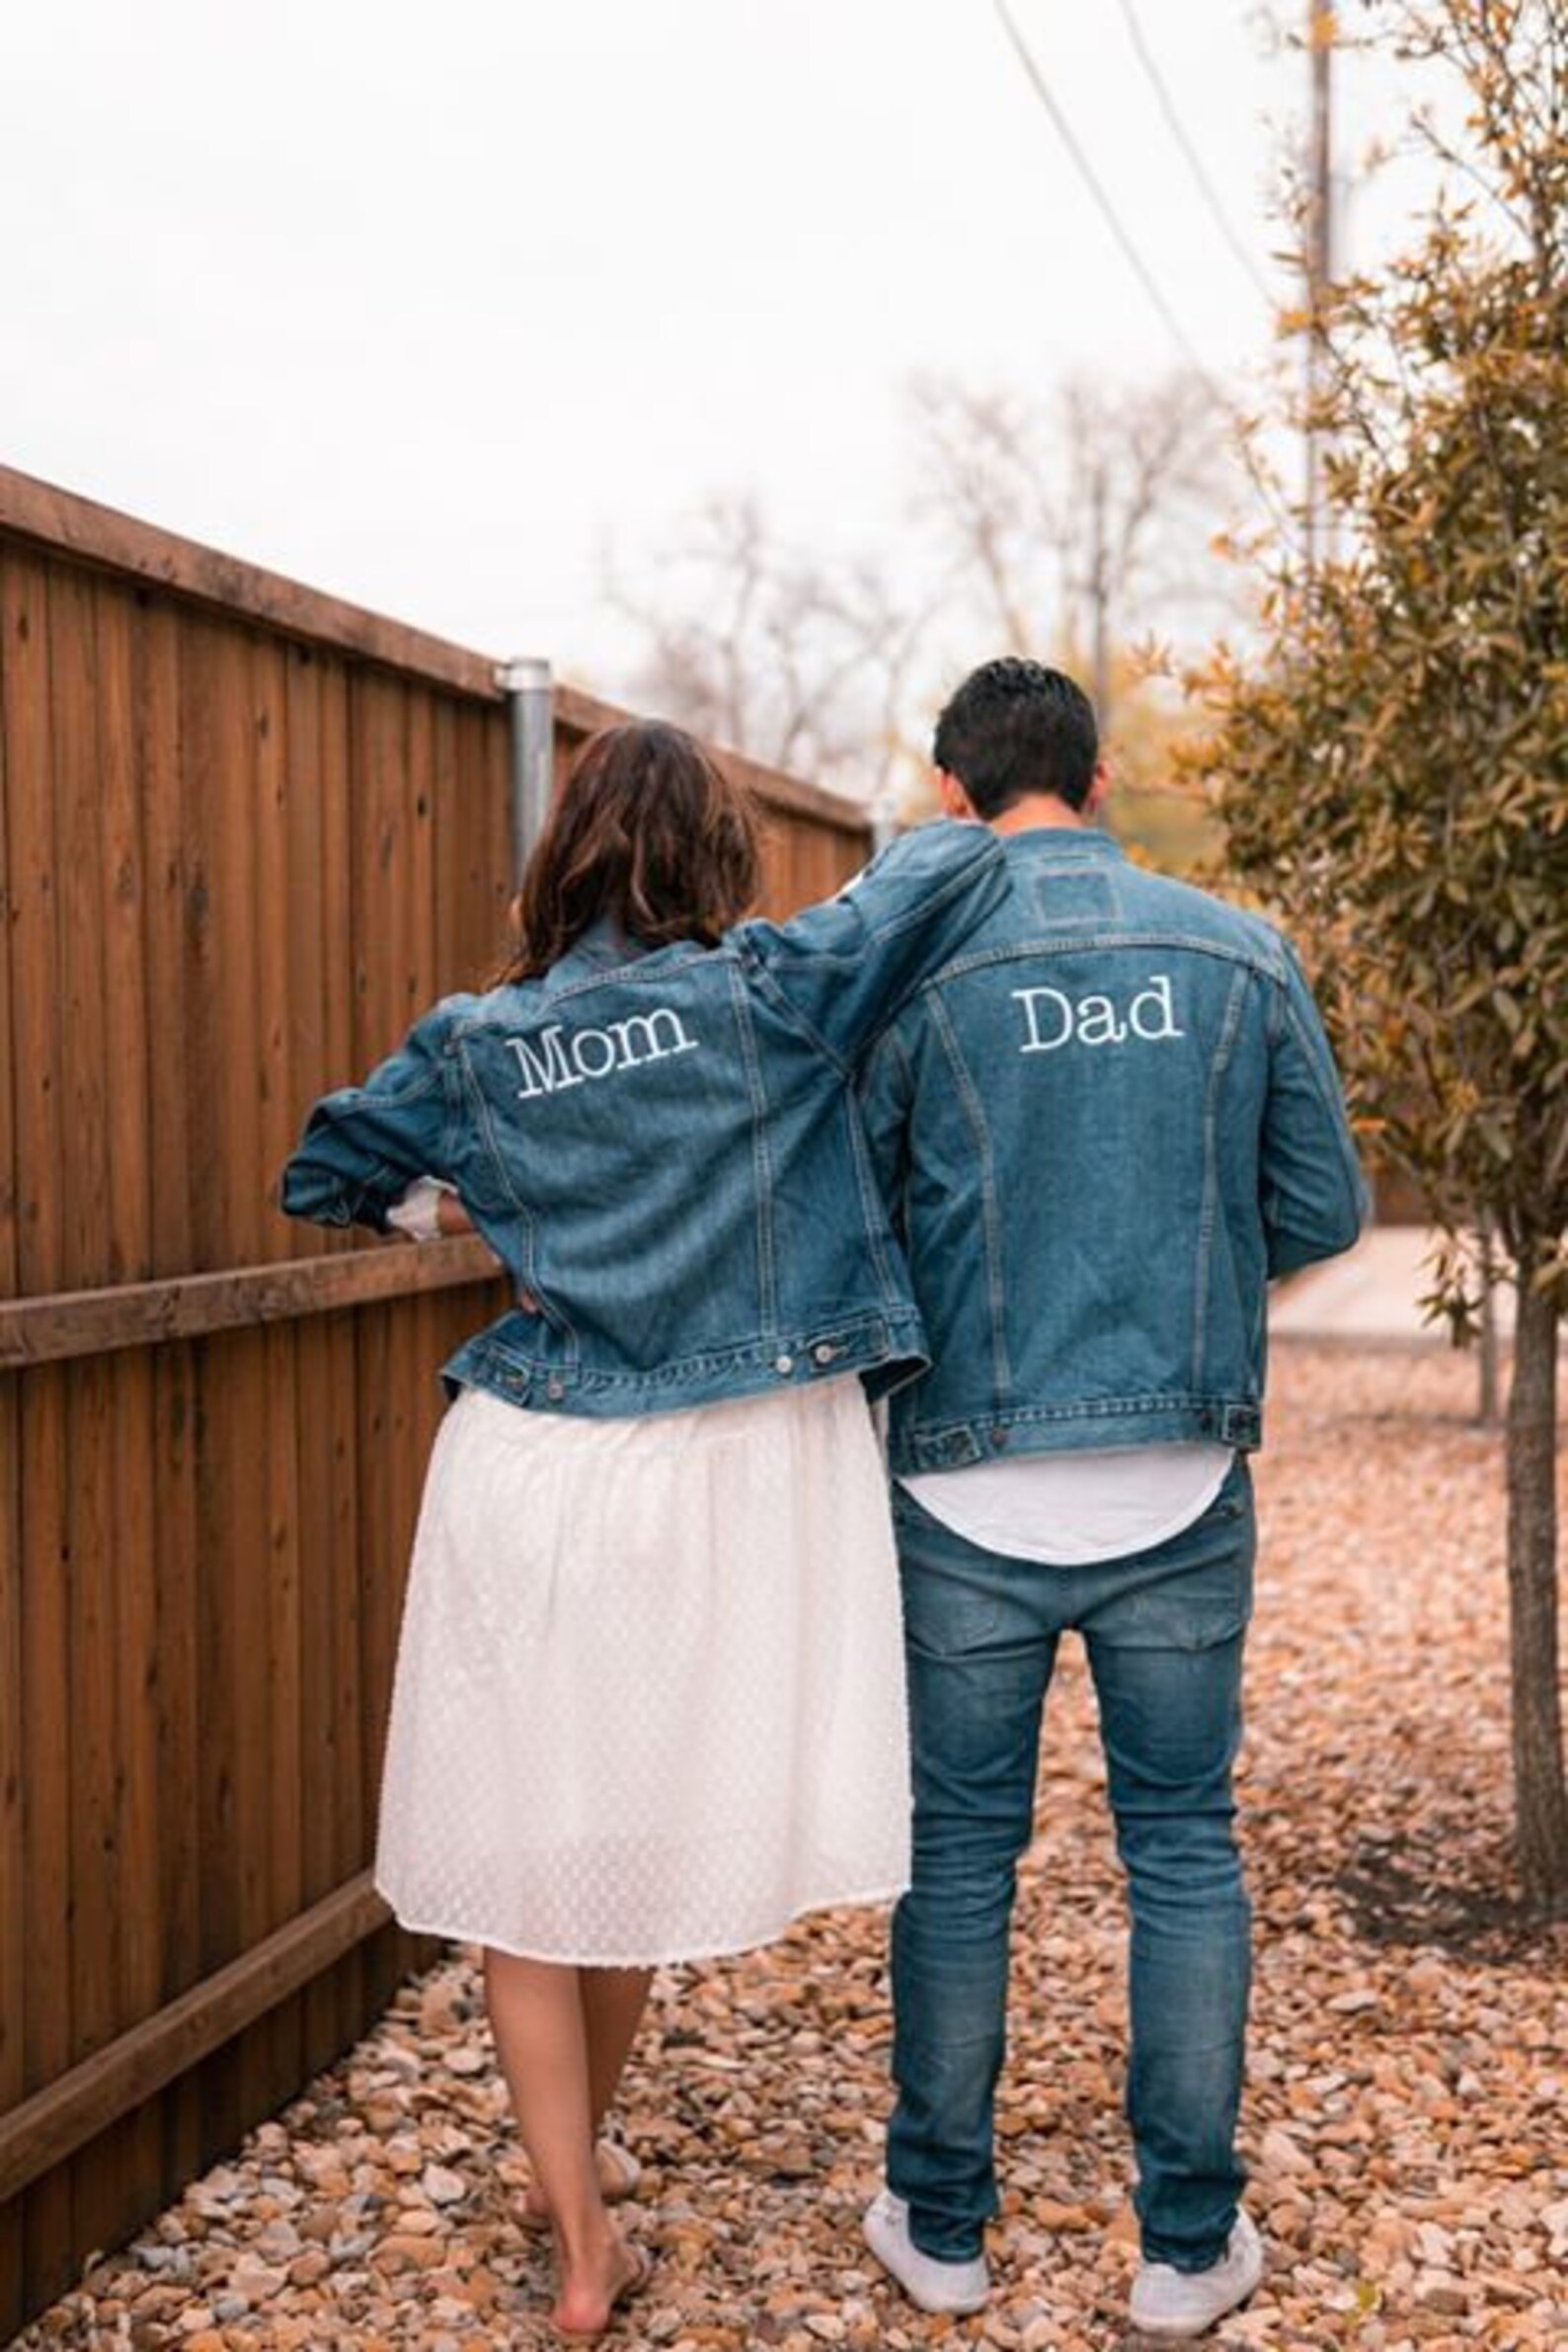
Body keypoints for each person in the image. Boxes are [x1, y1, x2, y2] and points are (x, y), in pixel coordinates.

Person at [279, 719, 1006, 2340]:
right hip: (707, 1483)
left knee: (535, 1862)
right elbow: (942, 872)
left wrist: (457, 1201)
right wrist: (964, 794)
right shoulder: (770, 990)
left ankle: (577, 2218)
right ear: (708, 858)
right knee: (628, 1846)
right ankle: (580, 2192)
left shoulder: (480, 1038)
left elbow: (326, 1167)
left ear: (569, 856)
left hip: (531, 1470)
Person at [855, 660, 1367, 2343]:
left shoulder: (919, 961)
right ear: (1105, 772)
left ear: (952, 797)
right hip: (1179, 1478)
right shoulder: (1236, 948)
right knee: (1183, 1850)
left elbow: (865, 1220)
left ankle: (939, 2222)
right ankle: (1183, 2247)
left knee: (960, 1855)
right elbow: (1320, 1201)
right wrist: (1193, 1297)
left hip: (966, 1490)